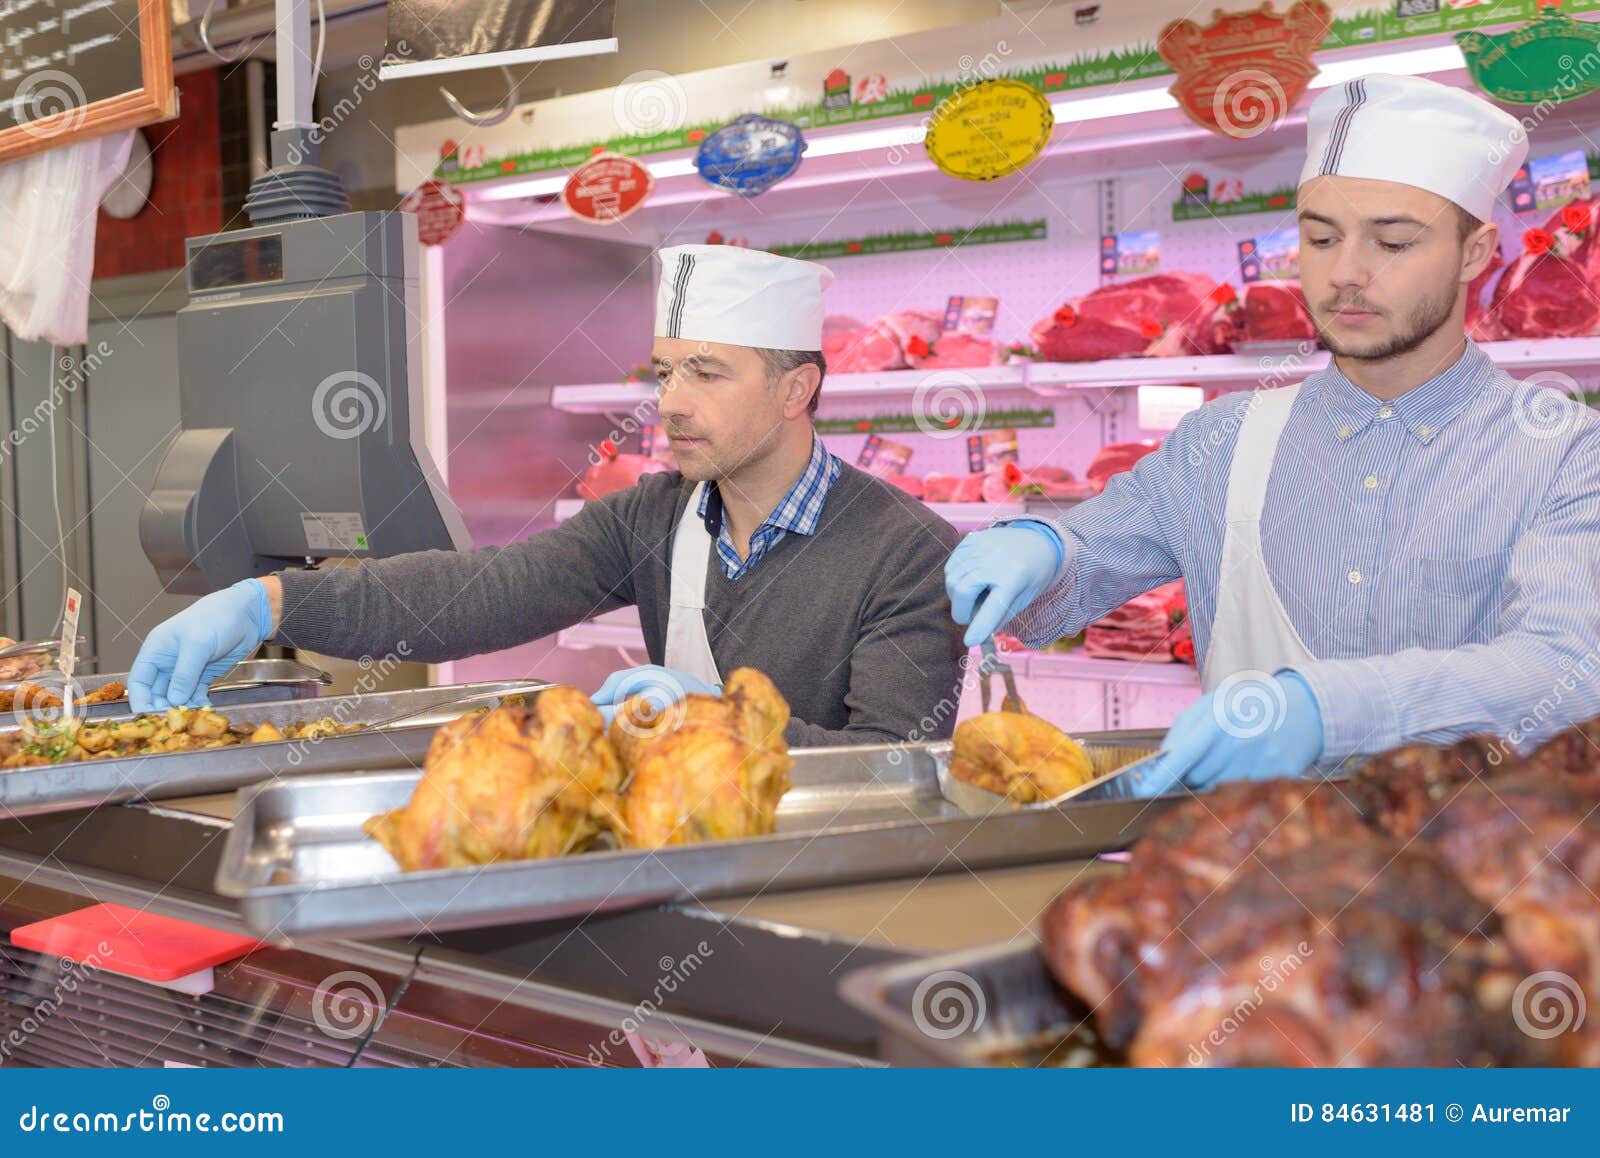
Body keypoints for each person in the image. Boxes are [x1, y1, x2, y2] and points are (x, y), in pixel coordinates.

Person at [948, 73, 1600, 793]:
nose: (1346, 273)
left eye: (1392, 242)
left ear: (1475, 253)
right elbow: (1083, 563)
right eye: (1320, 237)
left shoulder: (1566, 453)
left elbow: (1568, 669)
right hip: (1249, 882)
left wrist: (1325, 710)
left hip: (1483, 890)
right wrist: (1044, 549)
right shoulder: (1220, 443)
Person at [130, 245, 965, 746]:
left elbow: (897, 767)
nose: (670, 401)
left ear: (796, 390)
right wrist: (269, 601)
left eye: (707, 373)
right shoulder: (653, 515)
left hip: (830, 897)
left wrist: (723, 719)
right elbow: (480, 594)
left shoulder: (906, 554)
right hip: (684, 854)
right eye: (666, 370)